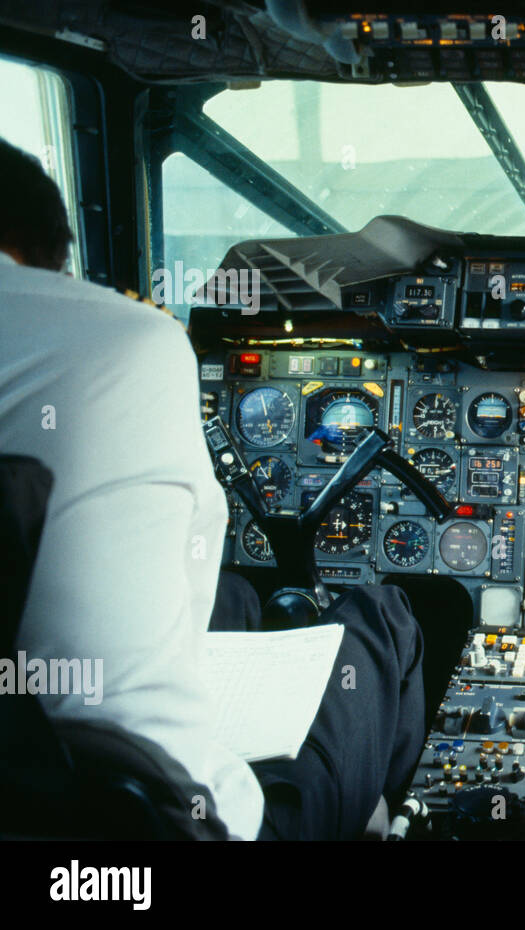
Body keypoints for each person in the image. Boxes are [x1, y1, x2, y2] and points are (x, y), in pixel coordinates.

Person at [0, 137, 426, 839]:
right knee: (383, 615)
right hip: (157, 818)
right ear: (51, 255)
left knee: (236, 594)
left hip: (37, 776)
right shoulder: (124, 337)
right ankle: (373, 818)